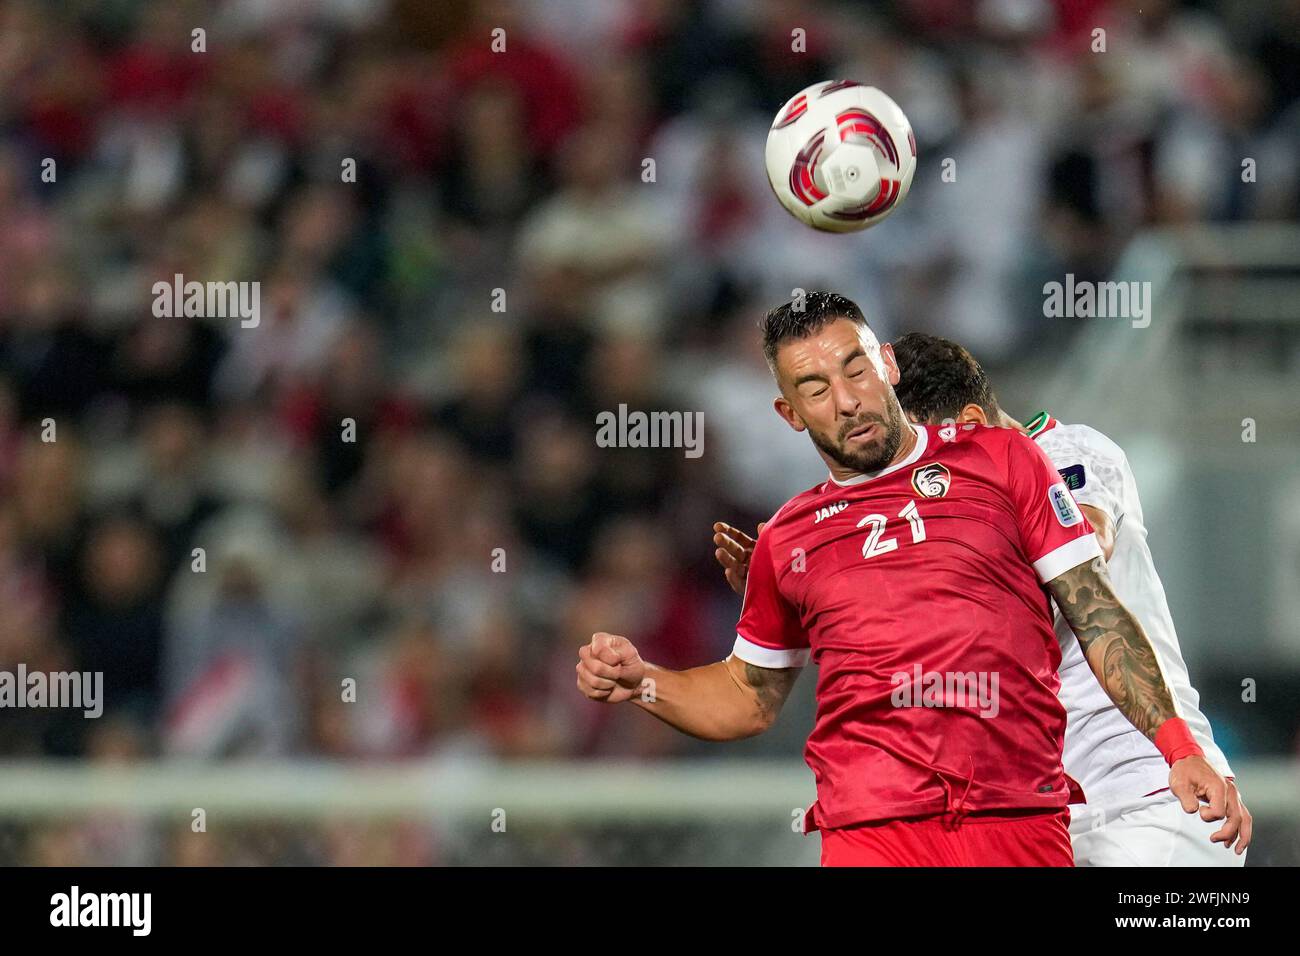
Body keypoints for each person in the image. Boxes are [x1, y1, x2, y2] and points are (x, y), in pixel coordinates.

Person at [576, 291, 1236, 866]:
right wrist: (805, 595)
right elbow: (750, 696)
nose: (848, 402)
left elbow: (1081, 557)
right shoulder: (807, 531)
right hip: (977, 816)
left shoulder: (1045, 454)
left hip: (1138, 792)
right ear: (791, 412)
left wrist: (855, 579)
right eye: (815, 388)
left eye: (858, 372)